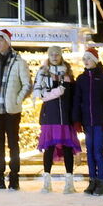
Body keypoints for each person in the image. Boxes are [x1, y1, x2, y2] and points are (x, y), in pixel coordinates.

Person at [0, 28, 31, 190]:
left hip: (11, 110)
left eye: (0, 40)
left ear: (7, 42)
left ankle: (14, 177)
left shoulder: (18, 62)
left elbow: (27, 85)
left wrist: (17, 100)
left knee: (13, 143)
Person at [33, 45, 80, 194]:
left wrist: (75, 115)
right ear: (48, 56)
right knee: (49, 147)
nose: (54, 57)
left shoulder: (68, 74)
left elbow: (73, 96)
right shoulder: (43, 73)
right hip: (50, 116)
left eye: (57, 54)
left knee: (67, 148)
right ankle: (47, 182)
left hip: (65, 117)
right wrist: (57, 91)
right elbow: (39, 94)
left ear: (61, 56)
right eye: (51, 54)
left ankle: (69, 183)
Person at [71, 46, 103, 196]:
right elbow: (77, 101)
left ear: (95, 60)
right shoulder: (81, 79)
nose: (86, 61)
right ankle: (92, 181)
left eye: (89, 59)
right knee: (89, 152)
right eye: (84, 59)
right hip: (87, 122)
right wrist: (77, 120)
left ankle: (101, 182)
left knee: (98, 152)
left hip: (100, 122)